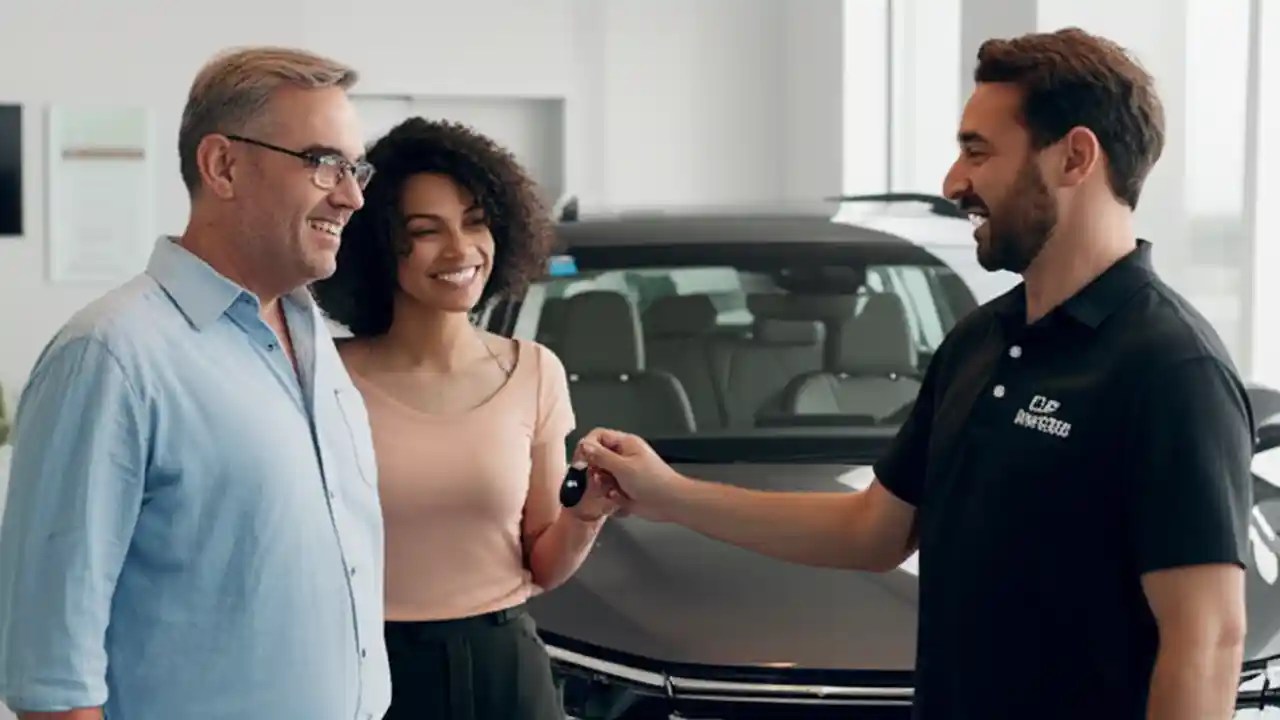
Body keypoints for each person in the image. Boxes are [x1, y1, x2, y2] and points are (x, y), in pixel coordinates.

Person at [574, 27, 1255, 720]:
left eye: (976, 151)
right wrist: (667, 494)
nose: (954, 182)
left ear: (1075, 157)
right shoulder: (980, 340)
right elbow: (873, 531)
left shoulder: (1170, 365)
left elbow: (1207, 637)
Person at [0, 47, 390, 720]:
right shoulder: (110, 357)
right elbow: (52, 679)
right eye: (324, 164)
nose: (352, 196)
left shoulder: (317, 340)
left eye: (357, 168)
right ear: (224, 166)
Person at [310, 116, 620, 720]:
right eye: (427, 231)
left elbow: (542, 562)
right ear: (379, 246)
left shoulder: (535, 371)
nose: (460, 250)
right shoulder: (324, 376)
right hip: (362, 664)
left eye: (474, 223)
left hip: (501, 665)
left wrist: (586, 515)